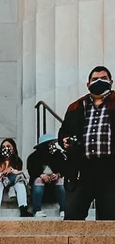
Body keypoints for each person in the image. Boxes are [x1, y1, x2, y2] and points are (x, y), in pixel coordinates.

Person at [59, 65, 115, 221]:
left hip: (110, 169)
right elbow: (64, 131)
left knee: (109, 217)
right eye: (95, 79)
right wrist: (64, 141)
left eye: (103, 79)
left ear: (111, 82)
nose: (99, 82)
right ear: (88, 84)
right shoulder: (76, 106)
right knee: (73, 216)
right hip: (83, 169)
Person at [0, 138, 30, 217]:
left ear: (13, 148)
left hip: (11, 193)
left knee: (19, 183)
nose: (6, 149)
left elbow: (20, 173)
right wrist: (1, 176)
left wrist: (11, 170)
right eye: (3, 147)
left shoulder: (17, 161)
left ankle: (23, 209)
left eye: (8, 146)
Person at [27, 135, 67, 216]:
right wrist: (41, 175)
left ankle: (63, 209)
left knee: (60, 181)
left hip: (54, 190)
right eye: (50, 144)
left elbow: (65, 168)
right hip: (39, 190)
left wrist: (58, 175)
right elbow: (32, 171)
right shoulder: (33, 157)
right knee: (39, 180)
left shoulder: (59, 155)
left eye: (53, 143)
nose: (53, 146)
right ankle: (37, 210)